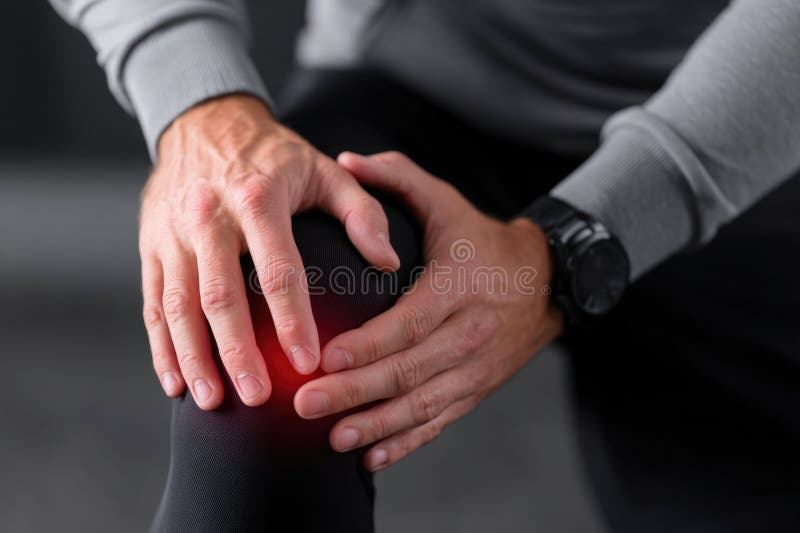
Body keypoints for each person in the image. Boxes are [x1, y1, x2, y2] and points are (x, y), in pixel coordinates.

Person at [51, 0, 800, 531]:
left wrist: (575, 249)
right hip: (415, 84)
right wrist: (198, 106)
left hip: (756, 139)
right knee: (282, 349)